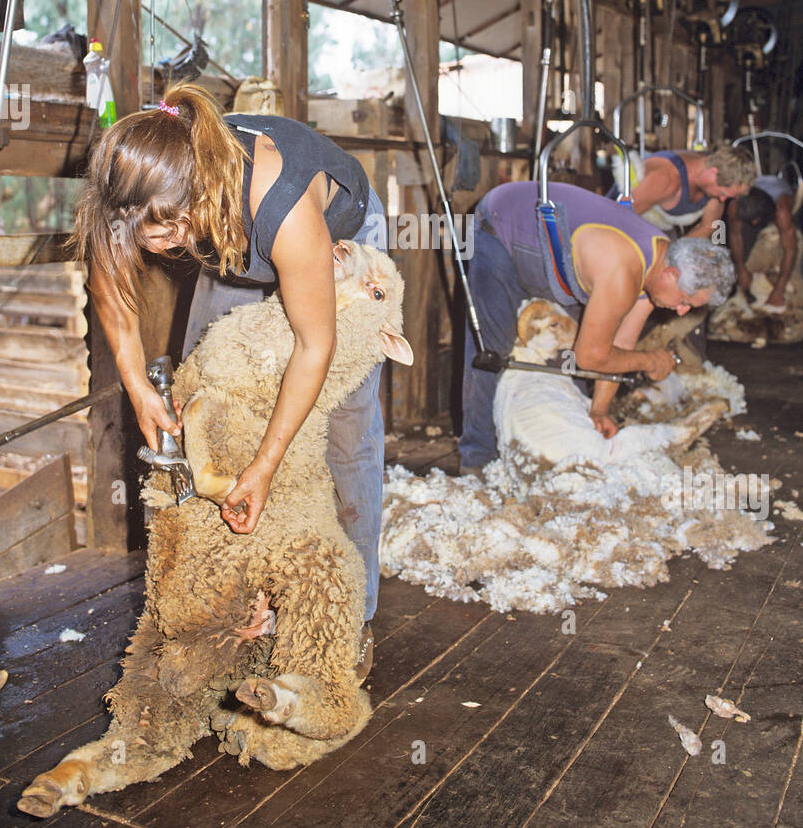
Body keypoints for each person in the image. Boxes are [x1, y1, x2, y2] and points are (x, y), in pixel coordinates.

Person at [73, 83, 391, 643]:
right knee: (208, 391)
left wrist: (265, 466)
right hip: (231, 238)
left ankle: (348, 615)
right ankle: (237, 593)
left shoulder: (282, 203)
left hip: (334, 238)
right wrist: (140, 391)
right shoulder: (127, 198)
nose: (165, 249)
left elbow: (316, 347)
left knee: (345, 420)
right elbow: (113, 303)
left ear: (195, 194)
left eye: (171, 232)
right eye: (151, 239)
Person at [459, 181, 736, 471]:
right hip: (504, 224)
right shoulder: (622, 272)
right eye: (685, 300)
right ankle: (477, 460)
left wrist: (599, 409)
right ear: (671, 273)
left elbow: (620, 344)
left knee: (569, 347)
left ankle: (574, 433)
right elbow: (590, 357)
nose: (681, 310)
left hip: (554, 239)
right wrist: (649, 360)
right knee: (492, 352)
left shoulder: (659, 261)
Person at [607, 144, 756, 237]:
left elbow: (708, 226)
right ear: (712, 173)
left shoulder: (720, 177)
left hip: (659, 232)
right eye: (723, 194)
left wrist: (675, 255)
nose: (722, 200)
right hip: (613, 221)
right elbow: (618, 219)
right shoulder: (667, 178)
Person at [727, 174, 798, 315]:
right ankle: (744, 288)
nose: (754, 224)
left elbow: (791, 251)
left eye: (756, 221)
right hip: (756, 202)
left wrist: (779, 290)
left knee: (793, 254)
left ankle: (794, 284)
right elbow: (735, 235)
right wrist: (740, 268)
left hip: (776, 201)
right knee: (744, 261)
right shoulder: (734, 207)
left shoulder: (782, 210)